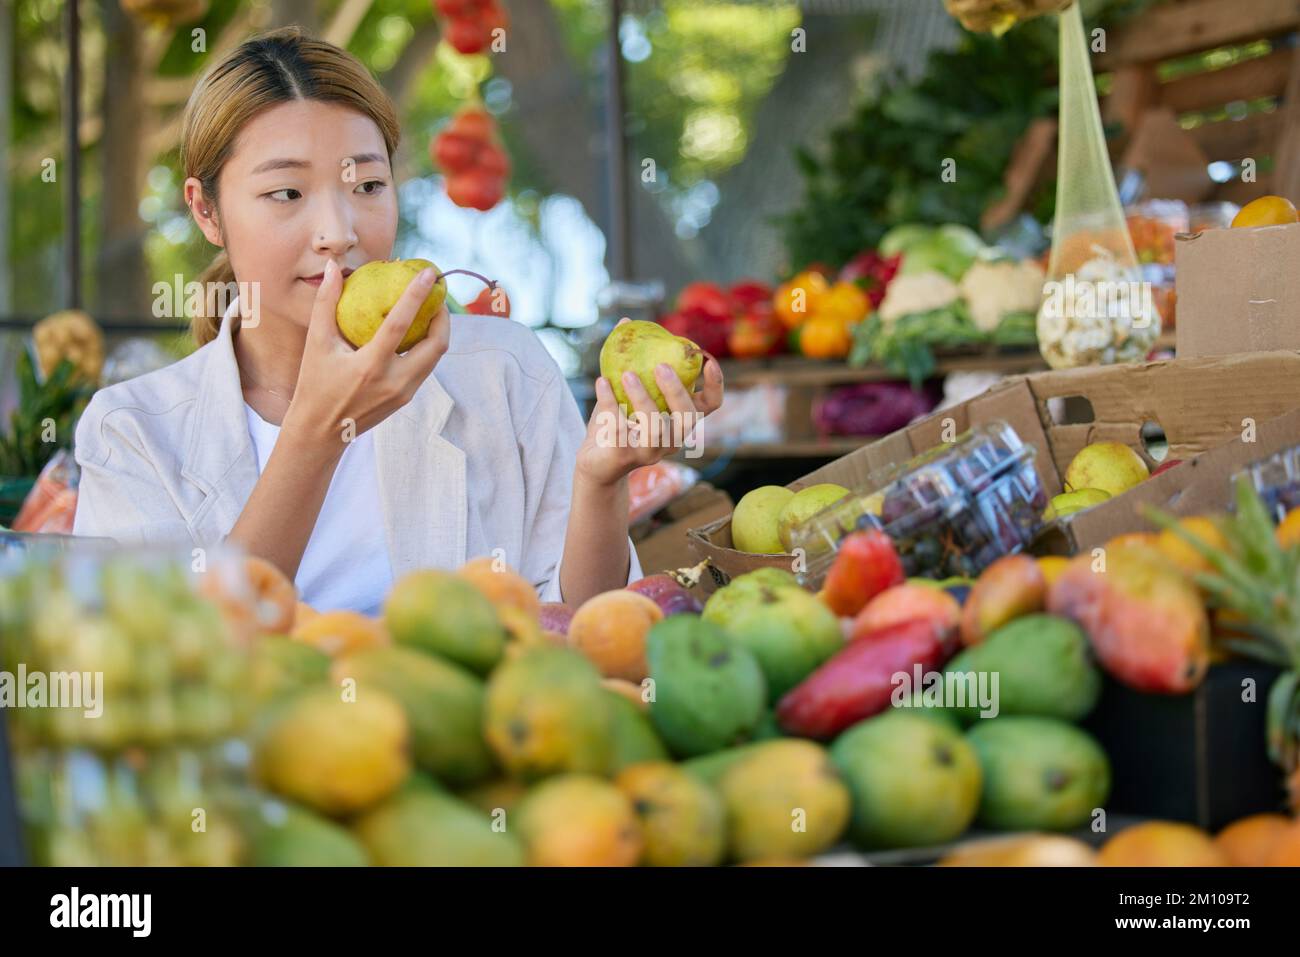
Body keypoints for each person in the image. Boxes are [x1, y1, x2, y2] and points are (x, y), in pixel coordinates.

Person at [72, 27, 722, 615]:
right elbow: (179, 672)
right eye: (286, 194)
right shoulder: (132, 431)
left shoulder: (503, 370)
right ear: (206, 211)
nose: (338, 232)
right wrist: (314, 435)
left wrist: (599, 482)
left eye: (367, 186)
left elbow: (591, 630)